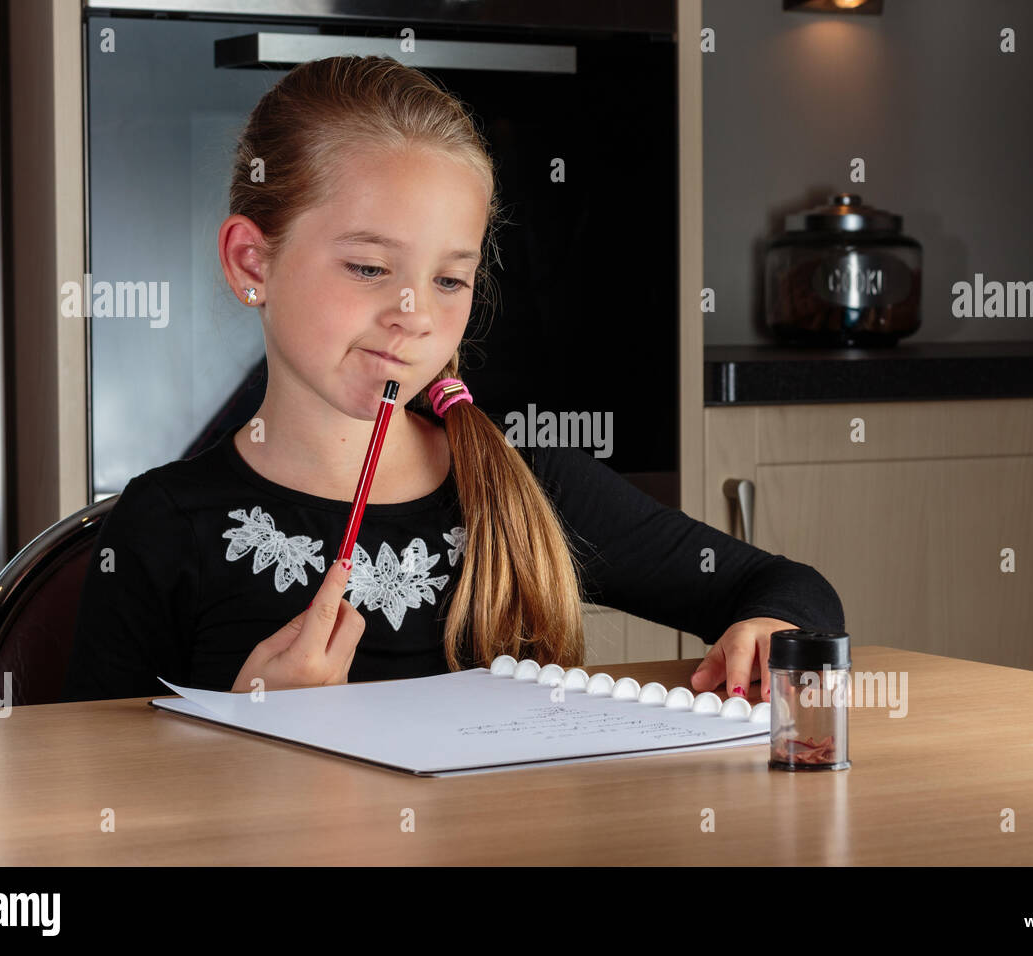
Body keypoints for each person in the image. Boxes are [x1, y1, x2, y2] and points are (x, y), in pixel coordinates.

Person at [61, 55, 844, 707]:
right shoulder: (163, 526)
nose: (413, 315)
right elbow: (86, 806)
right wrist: (244, 735)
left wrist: (771, 625)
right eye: (369, 267)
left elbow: (788, 585)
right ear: (250, 263)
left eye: (448, 280)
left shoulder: (528, 488)